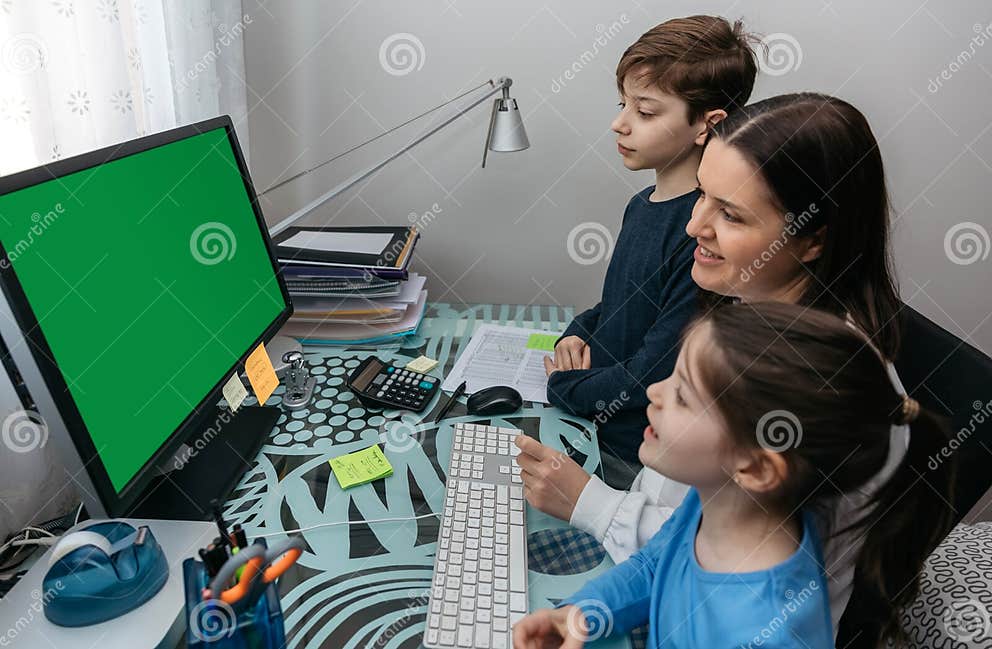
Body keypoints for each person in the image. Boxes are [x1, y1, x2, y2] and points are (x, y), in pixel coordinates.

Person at [519, 93, 911, 637]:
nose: (692, 226)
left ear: (813, 238)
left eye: (730, 213)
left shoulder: (809, 382)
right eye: (702, 193)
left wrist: (588, 502)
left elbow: (728, 556)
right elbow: (686, 535)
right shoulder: (741, 319)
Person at [514, 302, 955, 649]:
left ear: (756, 467)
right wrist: (582, 614)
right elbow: (653, 567)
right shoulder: (711, 505)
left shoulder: (770, 629)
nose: (654, 391)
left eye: (683, 394)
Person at [545, 15, 758, 489]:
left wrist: (563, 387)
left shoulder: (703, 239)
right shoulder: (641, 206)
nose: (619, 124)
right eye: (623, 104)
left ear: (708, 123)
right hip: (588, 419)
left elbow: (654, 371)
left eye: (645, 112)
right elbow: (620, 305)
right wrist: (576, 334)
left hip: (629, 454)